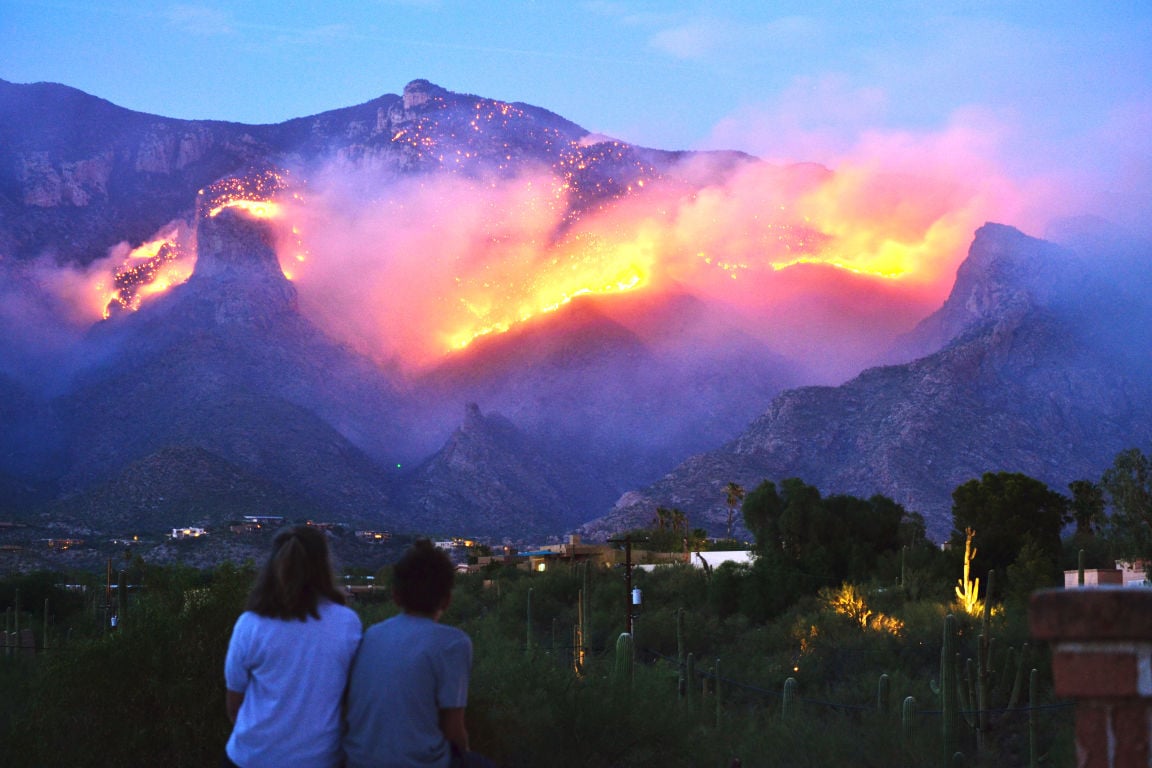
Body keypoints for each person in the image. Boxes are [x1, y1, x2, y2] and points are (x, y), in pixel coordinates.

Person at [223, 525, 362, 768]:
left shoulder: (251, 624)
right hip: (320, 759)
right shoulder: (346, 623)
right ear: (323, 566)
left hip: (251, 757)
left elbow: (234, 703)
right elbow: (352, 697)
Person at [344, 539, 490, 768]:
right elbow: (454, 728)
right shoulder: (453, 643)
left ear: (395, 595)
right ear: (447, 599)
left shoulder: (372, 635)